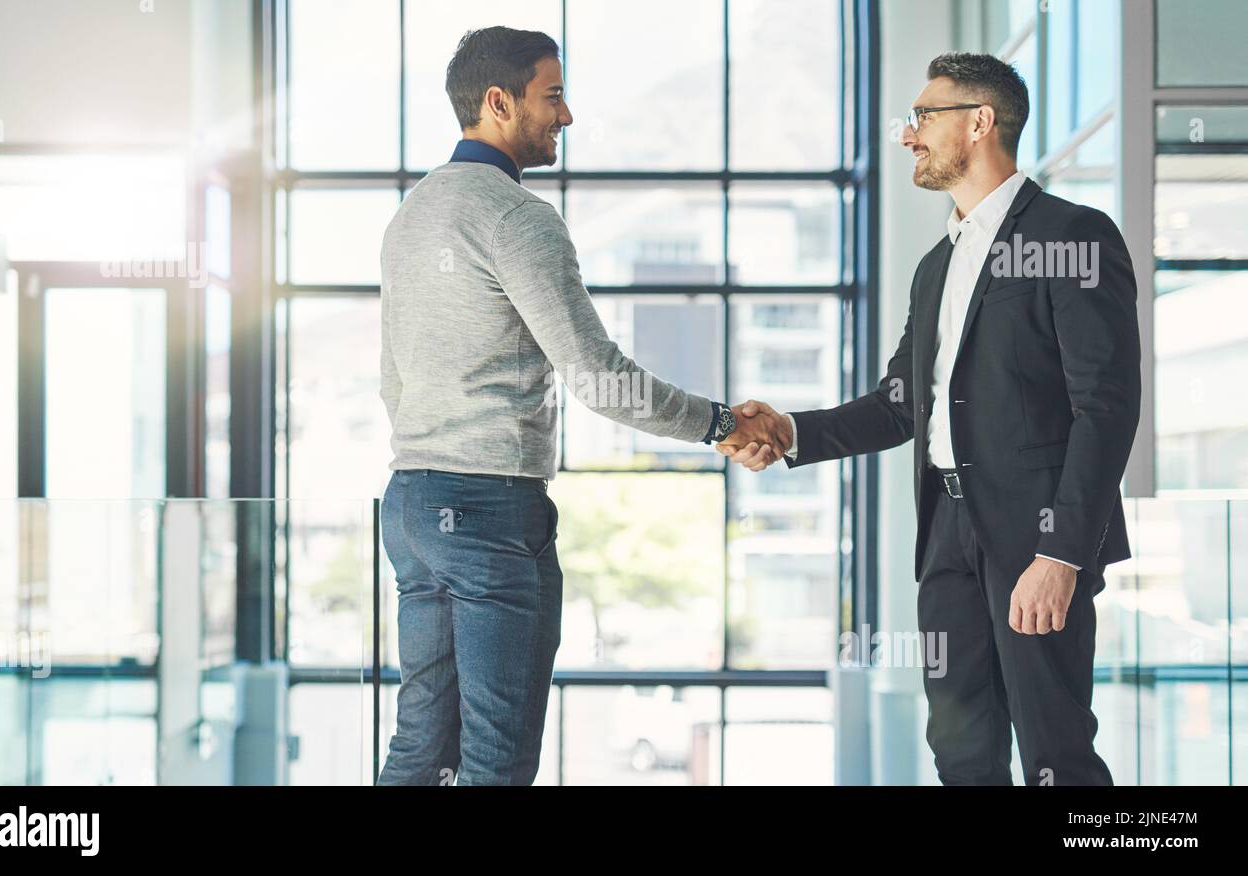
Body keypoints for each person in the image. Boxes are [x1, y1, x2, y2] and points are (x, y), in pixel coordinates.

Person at [376, 26, 790, 785]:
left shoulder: (413, 215)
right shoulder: (517, 220)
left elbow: (392, 381)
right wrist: (723, 423)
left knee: (419, 746)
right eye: (552, 94)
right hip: (490, 511)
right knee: (495, 761)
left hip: (410, 504)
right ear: (498, 102)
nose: (565, 116)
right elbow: (600, 379)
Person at [721, 53, 1139, 786]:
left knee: (1056, 752)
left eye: (921, 118)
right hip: (946, 534)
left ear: (979, 122)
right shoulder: (935, 266)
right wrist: (790, 431)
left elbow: (1104, 408)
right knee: (961, 752)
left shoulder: (1074, 236)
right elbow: (902, 404)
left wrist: (1064, 554)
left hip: (1039, 537)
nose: (907, 136)